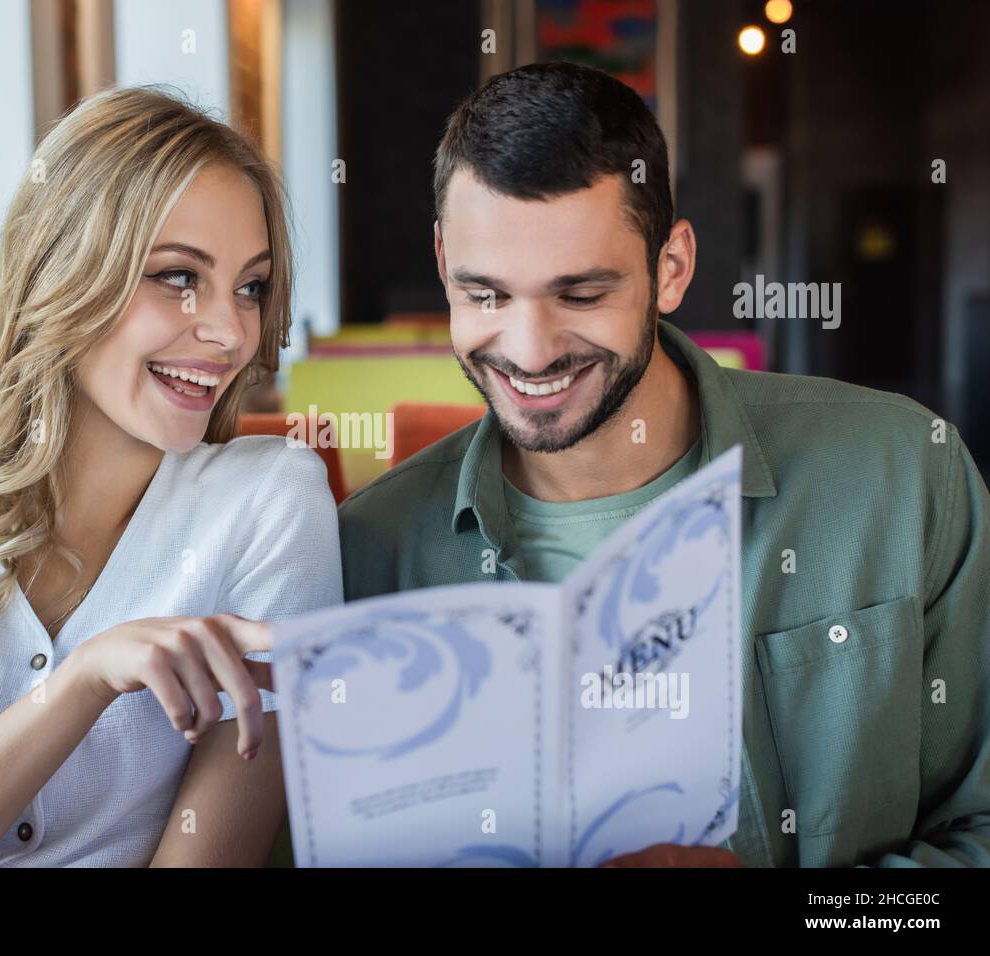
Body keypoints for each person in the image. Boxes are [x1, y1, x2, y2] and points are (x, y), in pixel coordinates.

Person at [338, 61, 990, 867]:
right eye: (486, 295)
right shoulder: (366, 551)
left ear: (670, 267)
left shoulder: (906, 474)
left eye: (580, 294)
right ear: (443, 263)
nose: (529, 349)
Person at [0, 87, 342, 867]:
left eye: (250, 287)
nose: (228, 332)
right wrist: (81, 684)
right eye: (179, 276)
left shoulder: (272, 503)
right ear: (64, 272)